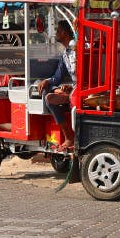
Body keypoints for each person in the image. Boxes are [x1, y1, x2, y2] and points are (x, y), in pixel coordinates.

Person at [37, 20, 76, 152]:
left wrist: (70, 87)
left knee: (51, 97)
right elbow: (57, 77)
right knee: (50, 98)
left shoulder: (78, 49)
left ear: (64, 33)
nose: (56, 34)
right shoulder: (65, 54)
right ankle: (68, 136)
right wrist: (47, 81)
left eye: (58, 31)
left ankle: (70, 137)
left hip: (83, 89)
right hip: (75, 90)